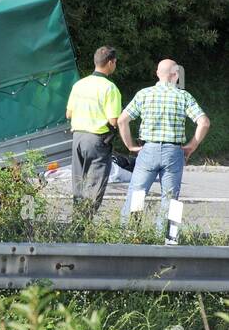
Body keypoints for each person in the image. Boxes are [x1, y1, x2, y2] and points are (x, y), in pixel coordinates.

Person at [117, 59, 213, 238]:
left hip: (148, 150)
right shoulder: (183, 96)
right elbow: (204, 122)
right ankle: (167, 238)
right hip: (173, 153)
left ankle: (129, 234)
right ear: (175, 75)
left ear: (157, 73)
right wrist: (192, 145)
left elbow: (122, 120)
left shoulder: (143, 94)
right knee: (170, 198)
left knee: (137, 192)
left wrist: (130, 145)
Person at [64, 46, 122, 214]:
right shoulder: (109, 88)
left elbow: (69, 113)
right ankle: (84, 226)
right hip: (97, 140)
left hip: (78, 138)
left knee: (79, 182)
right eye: (115, 63)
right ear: (110, 63)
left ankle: (76, 221)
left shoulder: (79, 84)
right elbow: (113, 120)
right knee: (95, 184)